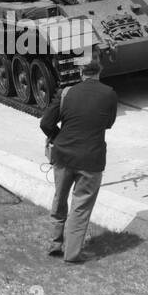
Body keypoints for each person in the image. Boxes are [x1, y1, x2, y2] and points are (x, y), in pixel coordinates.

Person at [39, 58, 117, 263]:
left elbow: (46, 122)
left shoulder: (66, 93)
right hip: (91, 160)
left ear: (81, 72)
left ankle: (55, 243)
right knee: (80, 207)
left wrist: (57, 137)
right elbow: (108, 124)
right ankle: (72, 253)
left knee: (60, 198)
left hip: (63, 156)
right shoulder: (109, 94)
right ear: (100, 71)